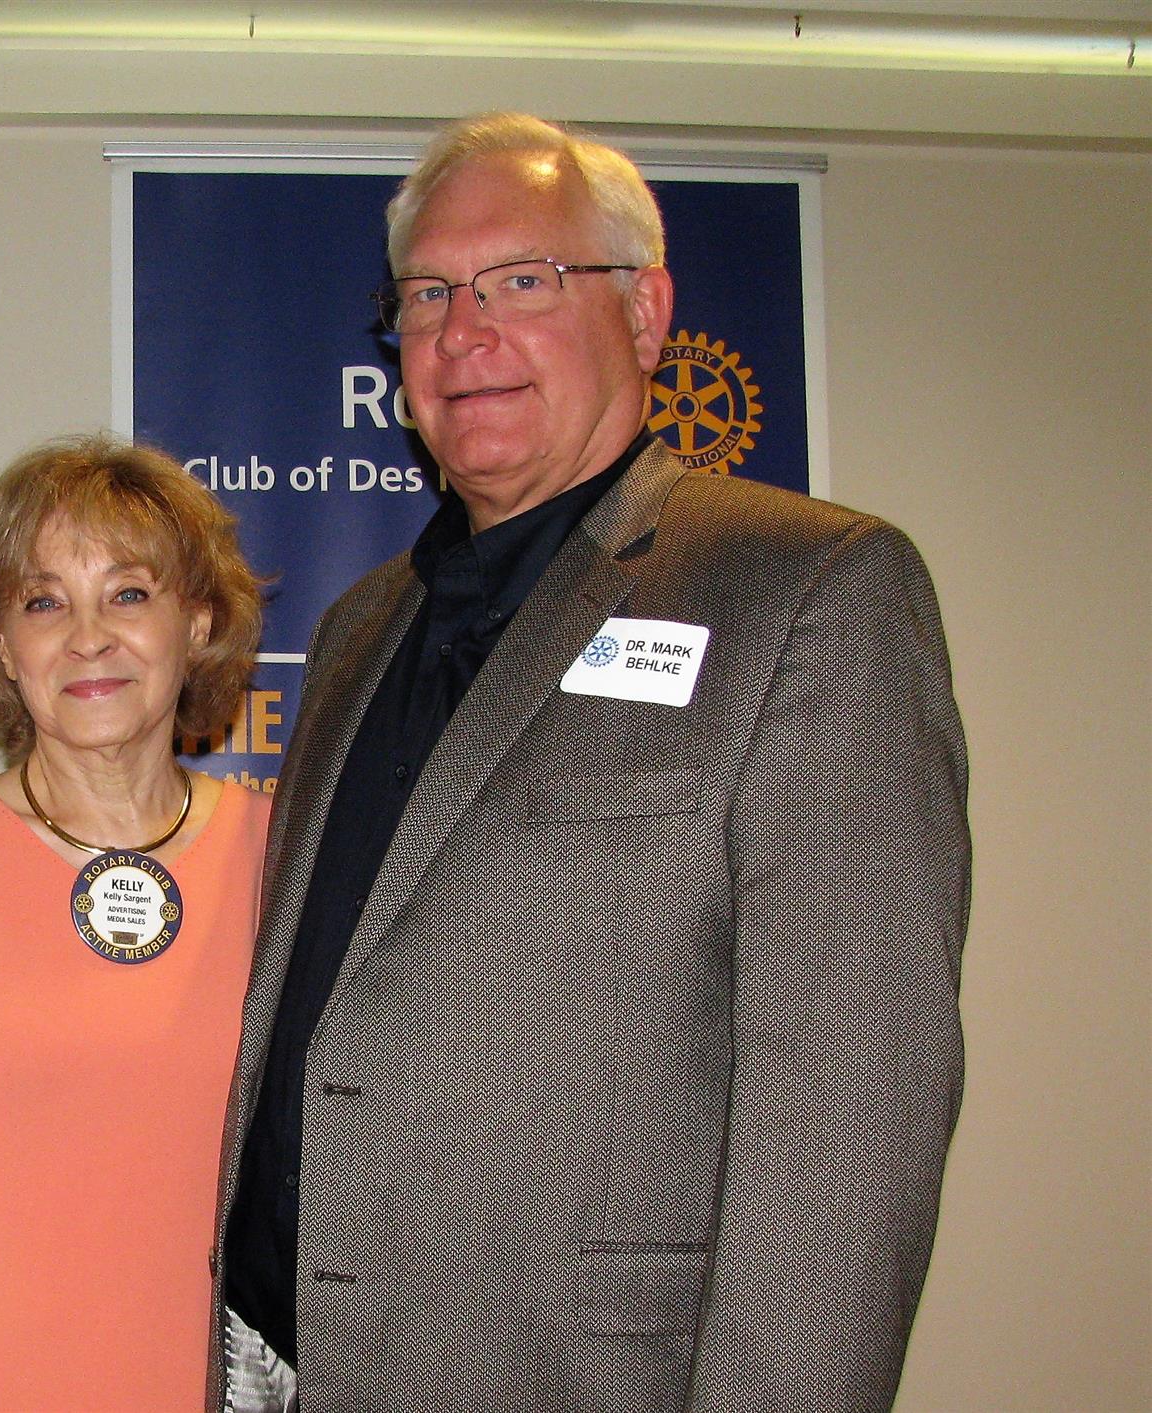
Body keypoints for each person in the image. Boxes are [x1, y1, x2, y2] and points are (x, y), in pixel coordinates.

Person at [214, 112, 970, 1412]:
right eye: (428, 294)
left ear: (645, 310)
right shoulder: (356, 629)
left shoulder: (806, 591)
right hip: (272, 1370)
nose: (464, 332)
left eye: (522, 280)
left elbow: (851, 1112)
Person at [0, 435, 268, 1411]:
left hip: (196, 1365)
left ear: (197, 622)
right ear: (3, 645)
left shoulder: (278, 856)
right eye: (44, 603)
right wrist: (5, 1300)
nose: (88, 638)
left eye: (128, 594)